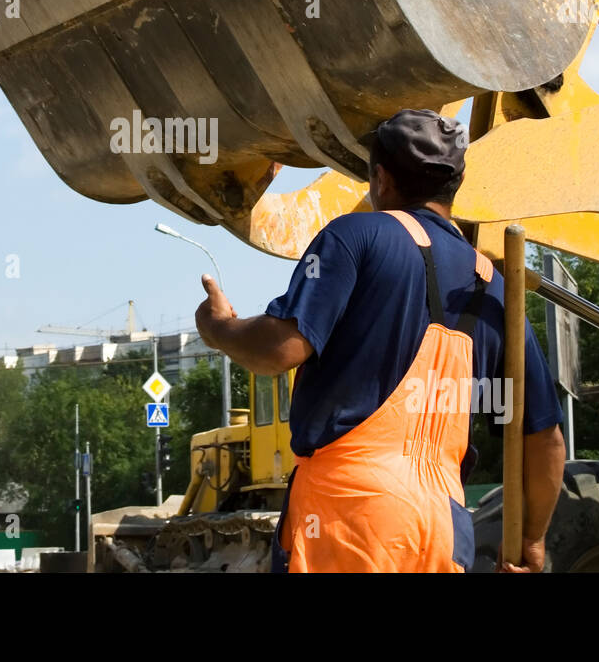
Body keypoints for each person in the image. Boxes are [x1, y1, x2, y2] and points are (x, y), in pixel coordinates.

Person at [194, 108, 565, 572]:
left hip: (348, 517)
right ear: (455, 183)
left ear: (381, 179)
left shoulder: (356, 236)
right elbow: (544, 439)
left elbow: (280, 349)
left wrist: (218, 328)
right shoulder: (494, 286)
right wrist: (531, 540)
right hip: (443, 526)